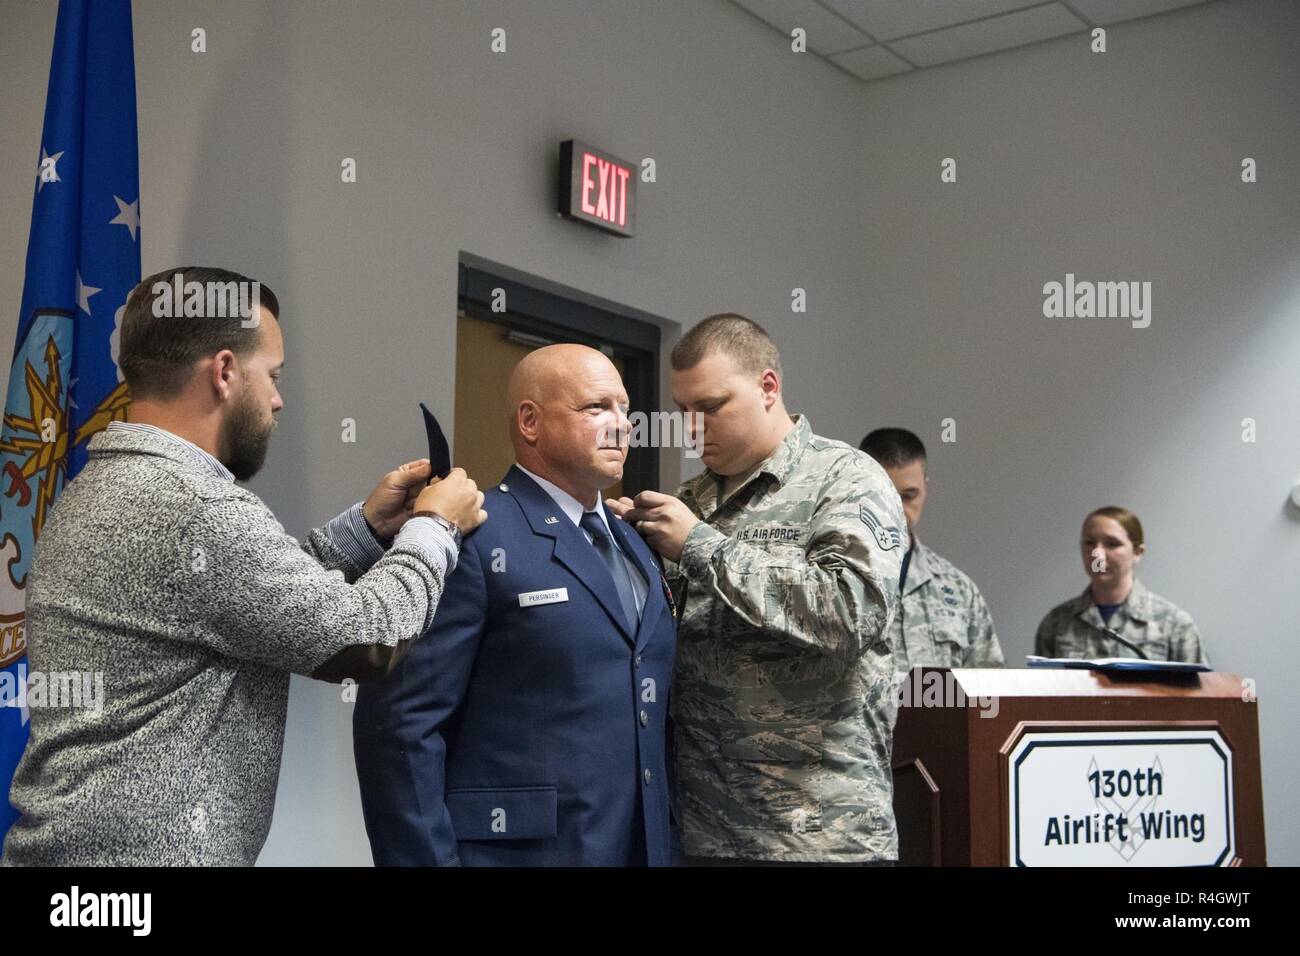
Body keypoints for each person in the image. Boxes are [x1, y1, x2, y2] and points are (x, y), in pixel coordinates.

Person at [1, 266, 484, 867]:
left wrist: (367, 529)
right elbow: (366, 638)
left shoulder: (95, 486)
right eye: (273, 376)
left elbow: (245, 604)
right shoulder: (199, 507)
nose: (279, 399)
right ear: (225, 372)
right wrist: (436, 528)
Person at [354, 344, 677, 866]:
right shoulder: (475, 535)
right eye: (596, 408)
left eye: (625, 409)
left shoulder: (637, 543)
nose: (620, 426)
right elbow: (399, 728)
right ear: (530, 421)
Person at [612, 314, 907, 865]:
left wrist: (700, 546)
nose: (693, 429)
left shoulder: (846, 478)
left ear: (768, 387)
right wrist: (624, 551)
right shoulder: (689, 499)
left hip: (818, 835)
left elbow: (850, 613)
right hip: (701, 831)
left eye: (712, 406)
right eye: (683, 412)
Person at [860, 428, 1003, 670]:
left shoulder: (958, 591)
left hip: (938, 708)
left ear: (925, 488)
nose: (897, 509)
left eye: (909, 496)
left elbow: (988, 687)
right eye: (885, 495)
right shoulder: (832, 579)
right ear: (858, 487)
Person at [1035, 506, 1207, 663]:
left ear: (1137, 552)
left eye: (1112, 544)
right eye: (1090, 543)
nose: (1098, 554)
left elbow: (1202, 694)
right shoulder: (1057, 623)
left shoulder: (1173, 625)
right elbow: (1041, 692)